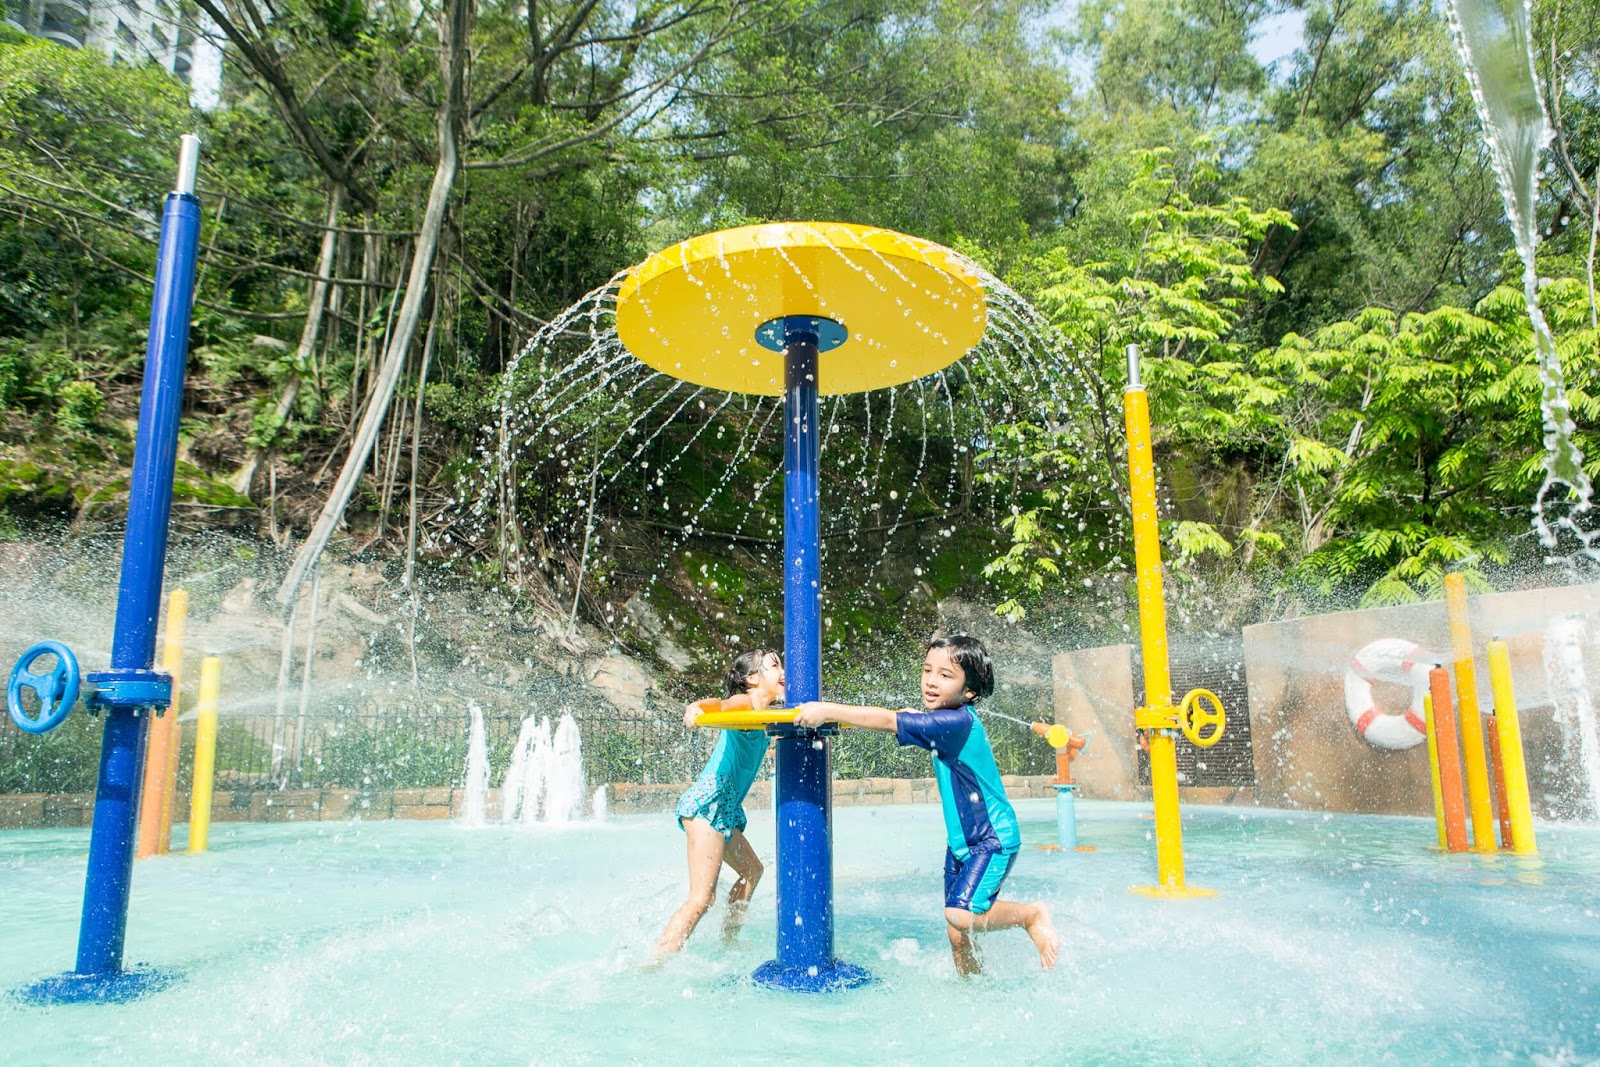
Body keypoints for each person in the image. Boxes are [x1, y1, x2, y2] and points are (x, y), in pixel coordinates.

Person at [794, 634, 1059, 975]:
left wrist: (827, 710)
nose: (932, 681)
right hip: (962, 843)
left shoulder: (955, 723)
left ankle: (1031, 915)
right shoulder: (950, 718)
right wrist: (911, 716)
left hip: (992, 839)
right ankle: (972, 989)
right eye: (927, 670)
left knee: (960, 915)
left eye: (945, 675)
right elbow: (905, 720)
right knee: (957, 934)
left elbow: (888, 721)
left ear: (970, 691)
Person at [656, 648, 784, 956]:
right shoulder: (746, 702)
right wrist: (697, 707)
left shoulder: (764, 715)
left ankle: (728, 942)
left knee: (752, 871)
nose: (784, 671)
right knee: (702, 898)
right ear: (752, 679)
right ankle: (657, 960)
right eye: (775, 665)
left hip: (723, 809)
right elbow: (721, 705)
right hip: (709, 804)